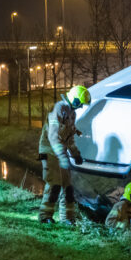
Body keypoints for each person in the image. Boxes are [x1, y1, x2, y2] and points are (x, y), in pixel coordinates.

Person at [38, 85, 90, 225]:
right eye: (79, 104)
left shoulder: (72, 113)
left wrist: (76, 154)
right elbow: (53, 136)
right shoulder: (58, 109)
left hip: (60, 152)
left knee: (67, 185)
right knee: (54, 183)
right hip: (49, 150)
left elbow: (69, 137)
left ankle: (67, 218)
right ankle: (45, 216)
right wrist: (62, 157)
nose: (80, 107)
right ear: (74, 99)